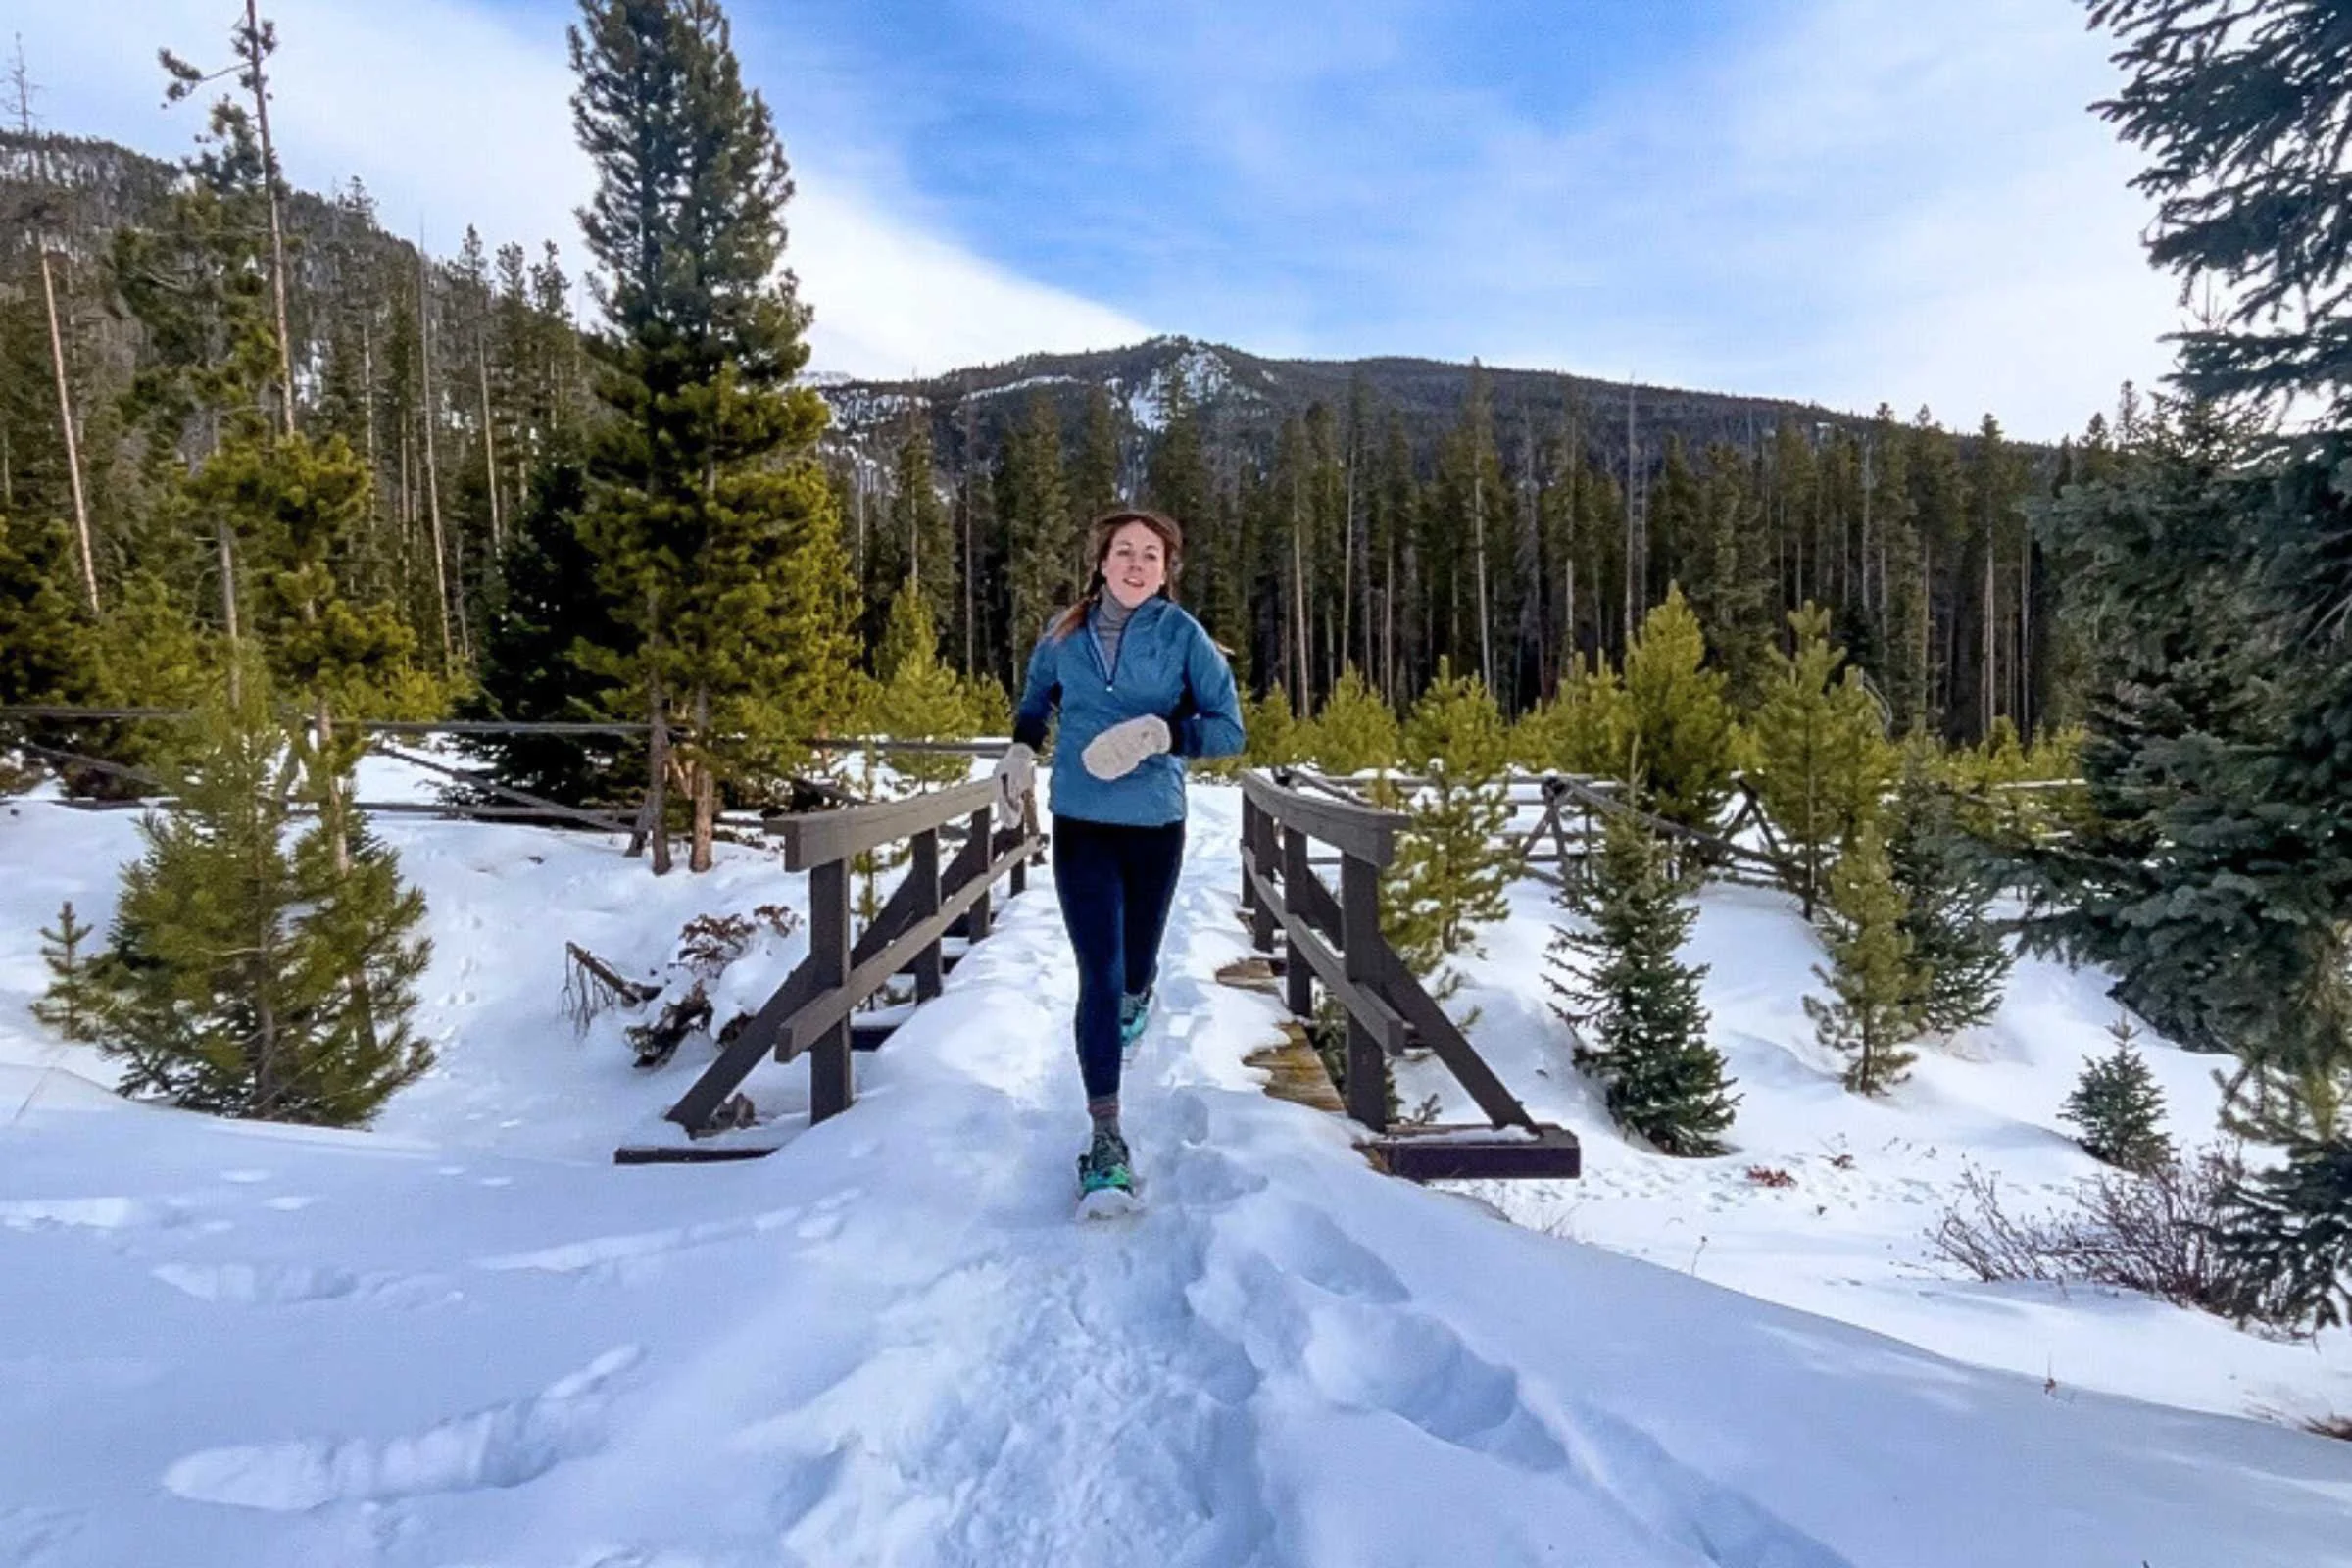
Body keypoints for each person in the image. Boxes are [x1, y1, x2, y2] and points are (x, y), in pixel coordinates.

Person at [994, 508, 1245, 1209]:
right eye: (1124, 552)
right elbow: (1036, 699)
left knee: (1134, 970)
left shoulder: (1183, 638)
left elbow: (1230, 731)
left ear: (1166, 572)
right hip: (1081, 821)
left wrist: (1165, 733)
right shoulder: (1064, 634)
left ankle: (1140, 992)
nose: (1136, 564)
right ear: (1101, 562)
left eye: (1151, 556)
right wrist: (1019, 748)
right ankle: (1106, 1139)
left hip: (1154, 825)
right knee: (1098, 976)